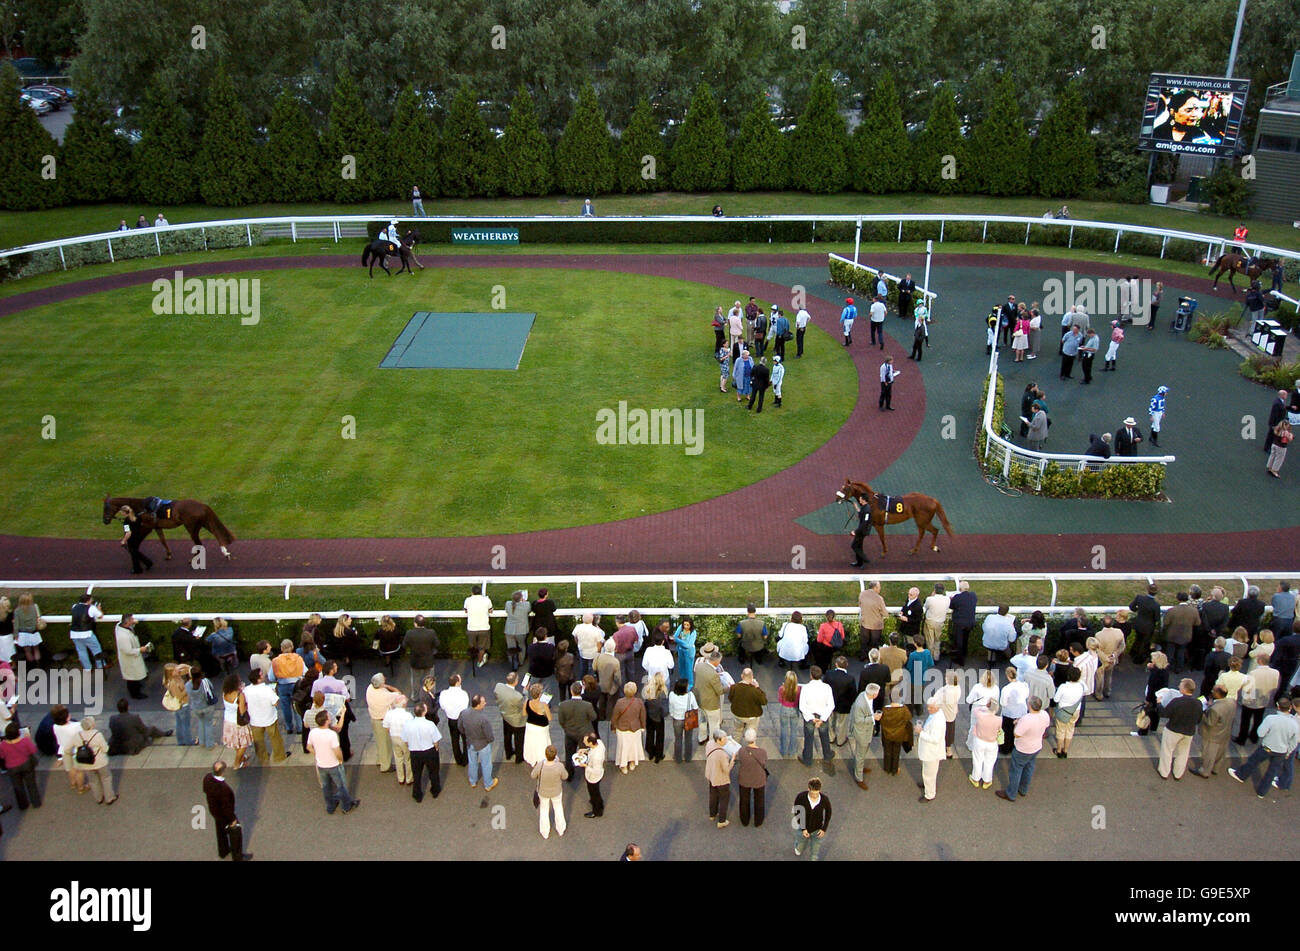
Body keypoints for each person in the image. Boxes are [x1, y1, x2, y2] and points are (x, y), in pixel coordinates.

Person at [1229, 698, 1299, 798]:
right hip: (1282, 751)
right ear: (1290, 707)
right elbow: (1294, 741)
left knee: (1253, 761)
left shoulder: (1271, 718)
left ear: (1278, 706)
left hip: (1267, 747)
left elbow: (1260, 733)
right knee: (1272, 771)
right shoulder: (1294, 723)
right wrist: (1288, 752)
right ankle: (1261, 792)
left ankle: (1241, 775)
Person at [994, 696, 1049, 802]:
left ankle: (1011, 793)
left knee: (1016, 770)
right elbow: (1045, 725)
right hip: (1036, 746)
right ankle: (1023, 789)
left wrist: (1017, 724)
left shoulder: (1027, 719)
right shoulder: (1044, 715)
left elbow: (1017, 734)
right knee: (1029, 767)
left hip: (1023, 749)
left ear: (1030, 706)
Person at [307, 709, 359, 814]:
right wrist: (340, 759)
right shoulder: (331, 735)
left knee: (326, 787)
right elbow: (337, 751)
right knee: (341, 786)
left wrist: (318, 754)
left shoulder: (313, 732)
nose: (330, 718)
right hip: (333, 764)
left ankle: (330, 806)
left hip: (321, 764)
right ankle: (346, 805)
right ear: (326, 721)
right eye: (328, 717)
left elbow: (309, 747)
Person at [203, 761, 251, 860]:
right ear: (223, 771)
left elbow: (205, 790)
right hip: (224, 815)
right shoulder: (224, 789)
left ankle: (223, 851)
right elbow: (227, 807)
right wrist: (232, 820)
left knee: (220, 831)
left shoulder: (207, 778)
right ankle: (237, 856)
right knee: (235, 833)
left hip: (215, 811)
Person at [1156, 678, 1202, 780]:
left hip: (1173, 730)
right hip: (1188, 732)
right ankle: (1178, 774)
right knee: (1183, 753)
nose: (1178, 687)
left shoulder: (1176, 701)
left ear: (1185, 689)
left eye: (1180, 685)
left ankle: (1164, 772)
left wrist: (1159, 703)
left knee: (1167, 751)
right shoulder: (1198, 703)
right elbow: (1199, 719)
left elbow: (1164, 713)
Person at [1193, 685, 1236, 779]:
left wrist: (1203, 712)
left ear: (1218, 694)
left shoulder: (1215, 709)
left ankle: (1205, 771)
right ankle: (1215, 769)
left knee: (1209, 754)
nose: (1212, 691)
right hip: (1225, 732)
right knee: (1220, 752)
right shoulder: (1232, 702)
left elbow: (1210, 722)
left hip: (1212, 734)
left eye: (1214, 690)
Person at [1236, 654, 1279, 745]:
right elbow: (1275, 687)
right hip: (1264, 700)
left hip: (1250, 701)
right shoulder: (1275, 672)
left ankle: (1242, 738)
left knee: (1245, 721)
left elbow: (1247, 688)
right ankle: (1254, 737)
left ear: (1259, 661)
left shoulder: (1253, 673)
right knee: (1258, 720)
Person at [403, 703, 442, 801]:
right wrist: (436, 747)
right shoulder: (430, 724)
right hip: (429, 751)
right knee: (433, 772)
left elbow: (405, 740)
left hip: (415, 752)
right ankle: (435, 790)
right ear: (424, 712)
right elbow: (436, 740)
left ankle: (417, 794)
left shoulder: (408, 724)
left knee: (416, 774)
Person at [72, 717, 116, 805]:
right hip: (100, 762)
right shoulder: (97, 734)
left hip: (86, 763)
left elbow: (73, 747)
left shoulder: (77, 736)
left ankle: (98, 798)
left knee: (93, 781)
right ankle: (109, 798)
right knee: (106, 778)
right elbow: (105, 749)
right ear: (92, 725)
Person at [799, 666, 835, 770]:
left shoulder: (805, 688)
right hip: (822, 715)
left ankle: (807, 759)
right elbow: (831, 705)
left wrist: (811, 718)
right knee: (825, 736)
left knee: (808, 738)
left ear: (811, 675)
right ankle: (827, 755)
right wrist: (822, 719)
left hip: (809, 716)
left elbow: (802, 706)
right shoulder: (827, 687)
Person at [1, 722, 41, 810]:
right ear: (18, 733)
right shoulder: (25, 741)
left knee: (17, 787)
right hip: (26, 764)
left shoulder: (3, 744)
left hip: (12, 767)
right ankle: (36, 802)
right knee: (31, 784)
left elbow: (2, 756)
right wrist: (29, 739)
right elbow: (33, 750)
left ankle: (23, 805)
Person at [848, 683, 880, 790]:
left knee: (862, 753)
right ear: (874, 694)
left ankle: (859, 767)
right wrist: (873, 718)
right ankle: (859, 777)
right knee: (860, 754)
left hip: (866, 730)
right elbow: (858, 720)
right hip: (862, 732)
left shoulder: (864, 695)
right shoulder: (861, 704)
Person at [734, 728, 768, 827]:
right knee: (759, 800)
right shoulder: (762, 752)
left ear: (745, 738)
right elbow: (764, 763)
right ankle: (758, 820)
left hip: (745, 778)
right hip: (759, 779)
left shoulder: (741, 751)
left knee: (744, 800)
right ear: (755, 738)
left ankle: (744, 820)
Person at [531, 745, 567, 839]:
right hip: (556, 791)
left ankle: (545, 832)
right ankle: (560, 829)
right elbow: (565, 776)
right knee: (558, 808)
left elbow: (533, 775)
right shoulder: (559, 766)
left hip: (543, 792)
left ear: (545, 755)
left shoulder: (541, 765)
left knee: (544, 810)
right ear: (555, 755)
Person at [610, 682, 646, 773]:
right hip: (635, 728)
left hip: (622, 728)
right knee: (634, 746)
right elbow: (642, 716)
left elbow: (614, 717)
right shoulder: (639, 702)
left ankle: (624, 765)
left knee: (623, 747)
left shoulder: (619, 702)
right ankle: (632, 762)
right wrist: (643, 726)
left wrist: (613, 727)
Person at [793, 778, 831, 860]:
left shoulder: (824, 799)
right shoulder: (801, 797)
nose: (815, 796)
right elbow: (797, 812)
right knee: (800, 842)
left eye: (817, 793)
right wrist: (803, 828)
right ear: (808, 789)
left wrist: (824, 828)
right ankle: (798, 846)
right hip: (804, 827)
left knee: (816, 848)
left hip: (817, 829)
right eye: (813, 793)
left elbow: (828, 812)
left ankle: (813, 857)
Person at [114, 614, 150, 699]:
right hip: (130, 659)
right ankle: (135, 694)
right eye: (132, 619)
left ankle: (136, 688)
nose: (133, 620)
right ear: (127, 622)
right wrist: (140, 650)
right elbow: (128, 651)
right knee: (132, 677)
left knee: (134, 676)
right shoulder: (123, 636)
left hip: (132, 658)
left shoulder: (121, 626)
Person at [221, 674, 253, 770]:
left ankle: (242, 757)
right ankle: (237, 763)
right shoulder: (240, 695)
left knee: (235, 742)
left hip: (228, 721)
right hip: (238, 723)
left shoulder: (224, 693)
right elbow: (242, 711)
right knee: (244, 744)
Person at [704, 730, 734, 828]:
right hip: (721, 779)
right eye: (724, 739)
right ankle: (722, 820)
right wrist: (732, 760)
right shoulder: (722, 755)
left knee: (713, 795)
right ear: (718, 740)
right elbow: (727, 770)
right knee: (724, 799)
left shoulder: (709, 744)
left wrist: (727, 738)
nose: (725, 741)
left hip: (711, 775)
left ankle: (712, 814)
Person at [495, 672, 527, 765]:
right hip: (517, 721)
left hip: (505, 717)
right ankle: (519, 757)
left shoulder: (498, 687)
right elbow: (524, 706)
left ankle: (508, 753)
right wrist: (526, 693)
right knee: (519, 739)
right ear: (516, 682)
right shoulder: (517, 696)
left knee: (507, 736)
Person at [968, 698, 1001, 790]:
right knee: (989, 762)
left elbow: (975, 709)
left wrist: (984, 707)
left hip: (979, 740)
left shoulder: (980, 715)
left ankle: (975, 778)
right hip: (992, 743)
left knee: (977, 760)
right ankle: (987, 780)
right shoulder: (999, 719)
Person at [68, 595, 106, 670]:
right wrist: (99, 609)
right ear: (88, 601)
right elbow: (100, 616)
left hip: (74, 634)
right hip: (87, 633)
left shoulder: (74, 606)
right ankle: (101, 665)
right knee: (96, 649)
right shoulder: (91, 608)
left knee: (81, 651)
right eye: (91, 600)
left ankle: (87, 668)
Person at [729, 667, 768, 738]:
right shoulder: (755, 691)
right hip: (752, 717)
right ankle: (751, 747)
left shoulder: (734, 687)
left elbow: (730, 699)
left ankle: (736, 747)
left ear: (742, 676)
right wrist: (757, 687)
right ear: (752, 677)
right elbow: (764, 702)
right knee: (751, 734)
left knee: (737, 732)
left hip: (738, 714)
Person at [668, 677, 699, 763]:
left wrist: (672, 714)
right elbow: (695, 707)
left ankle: (678, 758)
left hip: (677, 719)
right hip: (688, 719)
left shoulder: (672, 695)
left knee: (678, 739)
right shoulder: (690, 695)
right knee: (688, 739)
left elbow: (670, 707)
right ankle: (688, 757)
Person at [1129, 584, 1162, 662]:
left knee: (1138, 639)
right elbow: (1157, 618)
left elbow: (1132, 607)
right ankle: (1139, 659)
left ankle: (1133, 653)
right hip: (1148, 627)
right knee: (1144, 643)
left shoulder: (1139, 598)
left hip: (1138, 624)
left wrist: (1139, 611)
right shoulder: (1156, 605)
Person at [463, 585, 493, 669]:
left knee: (473, 646)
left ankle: (478, 659)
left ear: (472, 592)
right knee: (482, 647)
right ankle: (480, 662)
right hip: (484, 628)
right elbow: (491, 610)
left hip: (471, 628)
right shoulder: (487, 600)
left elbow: (465, 611)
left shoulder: (468, 600)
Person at [642, 671, 669, 763]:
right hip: (658, 717)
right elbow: (665, 710)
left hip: (649, 716)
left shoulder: (648, 690)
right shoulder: (663, 694)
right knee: (660, 736)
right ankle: (658, 755)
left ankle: (650, 752)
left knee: (650, 734)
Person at [580, 732, 606, 817]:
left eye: (585, 742)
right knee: (595, 792)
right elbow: (592, 749)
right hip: (596, 774)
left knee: (594, 793)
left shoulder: (597, 757)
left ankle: (597, 811)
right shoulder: (599, 743)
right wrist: (585, 750)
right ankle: (599, 803)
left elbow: (596, 771)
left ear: (591, 743)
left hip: (594, 777)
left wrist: (585, 766)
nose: (584, 742)